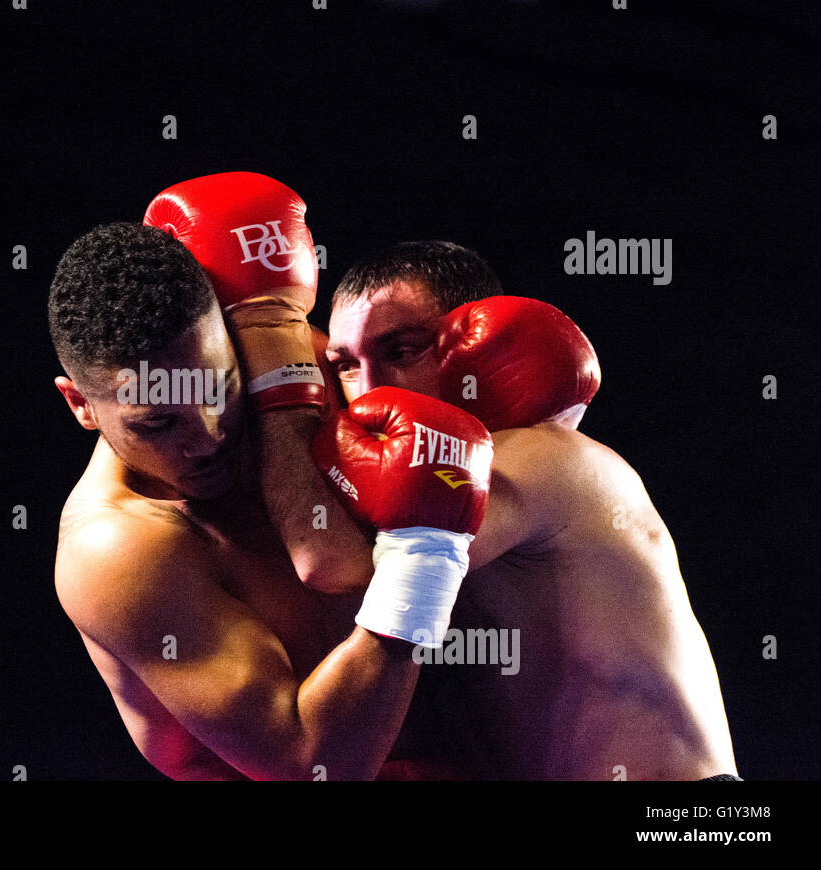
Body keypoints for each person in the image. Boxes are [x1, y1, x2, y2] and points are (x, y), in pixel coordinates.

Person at [48, 202, 493, 780]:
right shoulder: (117, 551)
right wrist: (425, 553)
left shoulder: (284, 355)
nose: (208, 438)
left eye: (222, 389)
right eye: (158, 423)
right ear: (80, 404)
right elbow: (312, 763)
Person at [318, 240, 740, 780]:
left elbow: (335, 567)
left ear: (476, 344)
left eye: (402, 352)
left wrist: (274, 382)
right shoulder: (418, 489)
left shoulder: (544, 457)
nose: (371, 391)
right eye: (347, 366)